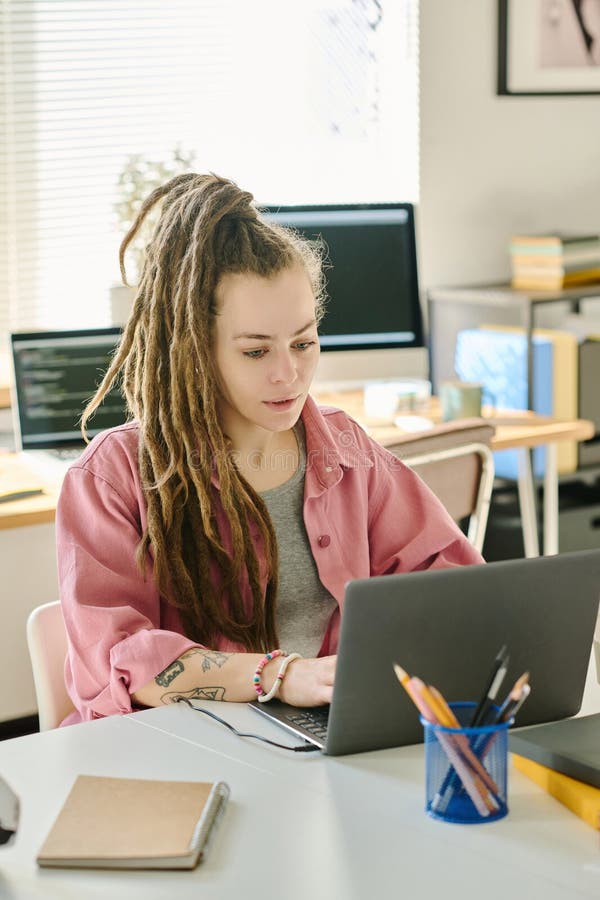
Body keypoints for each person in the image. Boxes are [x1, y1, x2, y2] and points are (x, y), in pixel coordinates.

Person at [56, 173, 483, 725]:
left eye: (304, 343)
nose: (289, 374)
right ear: (196, 350)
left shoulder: (345, 448)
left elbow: (453, 582)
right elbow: (119, 663)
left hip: (321, 743)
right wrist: (279, 675)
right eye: (256, 352)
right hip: (180, 754)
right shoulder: (111, 478)